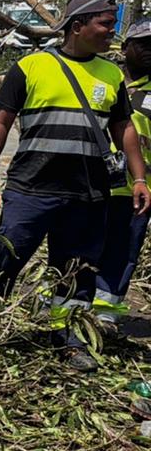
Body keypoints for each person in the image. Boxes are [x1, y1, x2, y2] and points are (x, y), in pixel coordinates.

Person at [0, 0, 150, 372]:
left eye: (113, 25)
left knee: (76, 271)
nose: (110, 32)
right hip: (31, 189)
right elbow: (0, 122)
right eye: (104, 24)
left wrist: (139, 177)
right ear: (78, 24)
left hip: (87, 195)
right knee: (6, 259)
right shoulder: (30, 67)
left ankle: (66, 338)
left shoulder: (111, 74)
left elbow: (123, 128)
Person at [95, 19, 151, 327]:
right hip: (91, 185)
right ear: (125, 47)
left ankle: (104, 315)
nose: (149, 52)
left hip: (136, 192)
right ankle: (67, 307)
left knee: (122, 253)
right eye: (144, 45)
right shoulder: (104, 80)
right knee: (81, 247)